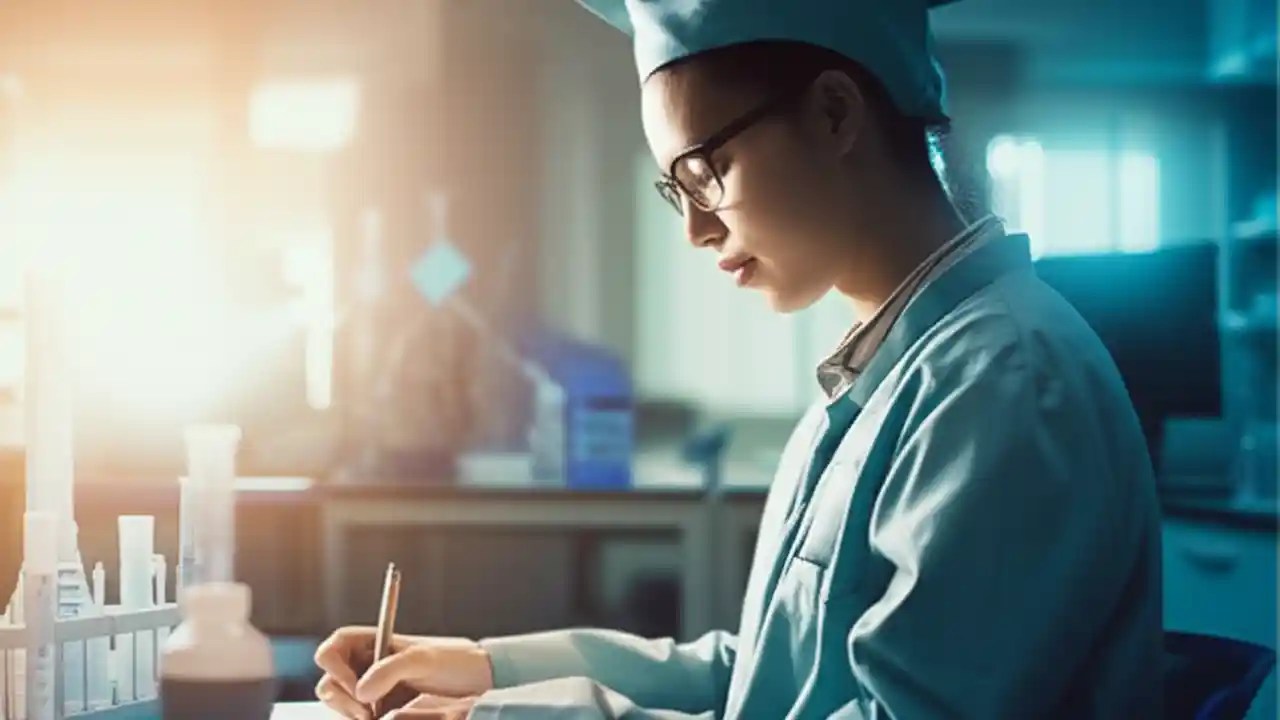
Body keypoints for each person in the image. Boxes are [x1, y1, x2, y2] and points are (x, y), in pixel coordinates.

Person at [314, 1, 1164, 718]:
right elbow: (759, 678)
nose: (694, 228)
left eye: (706, 170)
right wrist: (486, 669)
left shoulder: (1003, 379)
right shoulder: (896, 370)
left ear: (835, 115)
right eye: (674, 191)